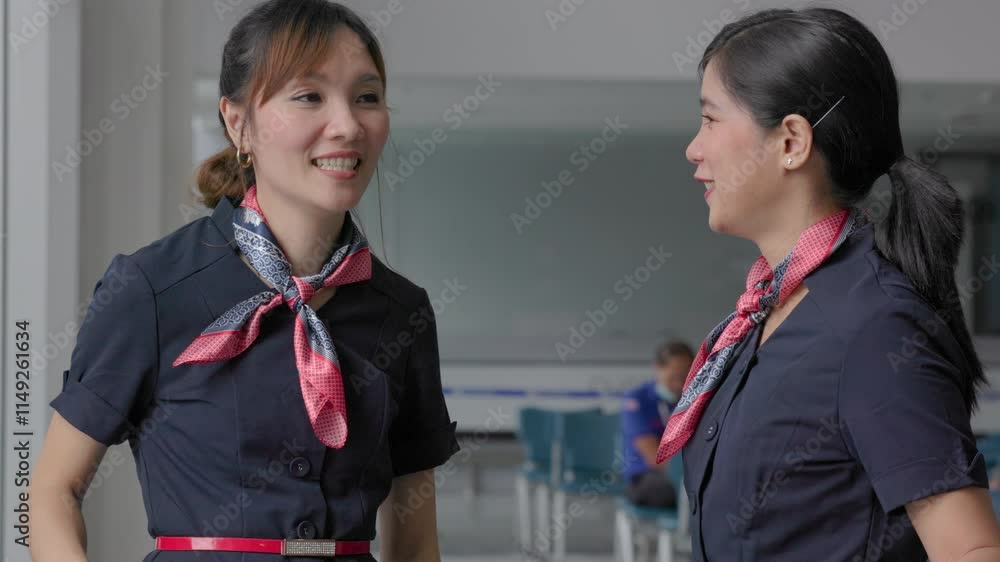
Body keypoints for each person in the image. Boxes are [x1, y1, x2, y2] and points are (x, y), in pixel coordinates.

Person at [29, 2, 458, 561]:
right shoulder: (152, 288)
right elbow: (50, 491)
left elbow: (416, 537)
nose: (349, 124)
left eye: (367, 97)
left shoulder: (402, 311)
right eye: (309, 96)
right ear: (238, 123)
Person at [655, 7, 1000, 562]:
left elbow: (972, 550)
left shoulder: (874, 326)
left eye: (711, 120)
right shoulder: (767, 312)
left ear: (792, 141)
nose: (694, 148)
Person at [621, 340, 693, 508]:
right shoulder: (637, 400)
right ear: (658, 368)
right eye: (675, 376)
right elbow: (655, 458)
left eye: (686, 375)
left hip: (683, 476)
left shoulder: (692, 401)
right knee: (683, 492)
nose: (680, 382)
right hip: (646, 478)